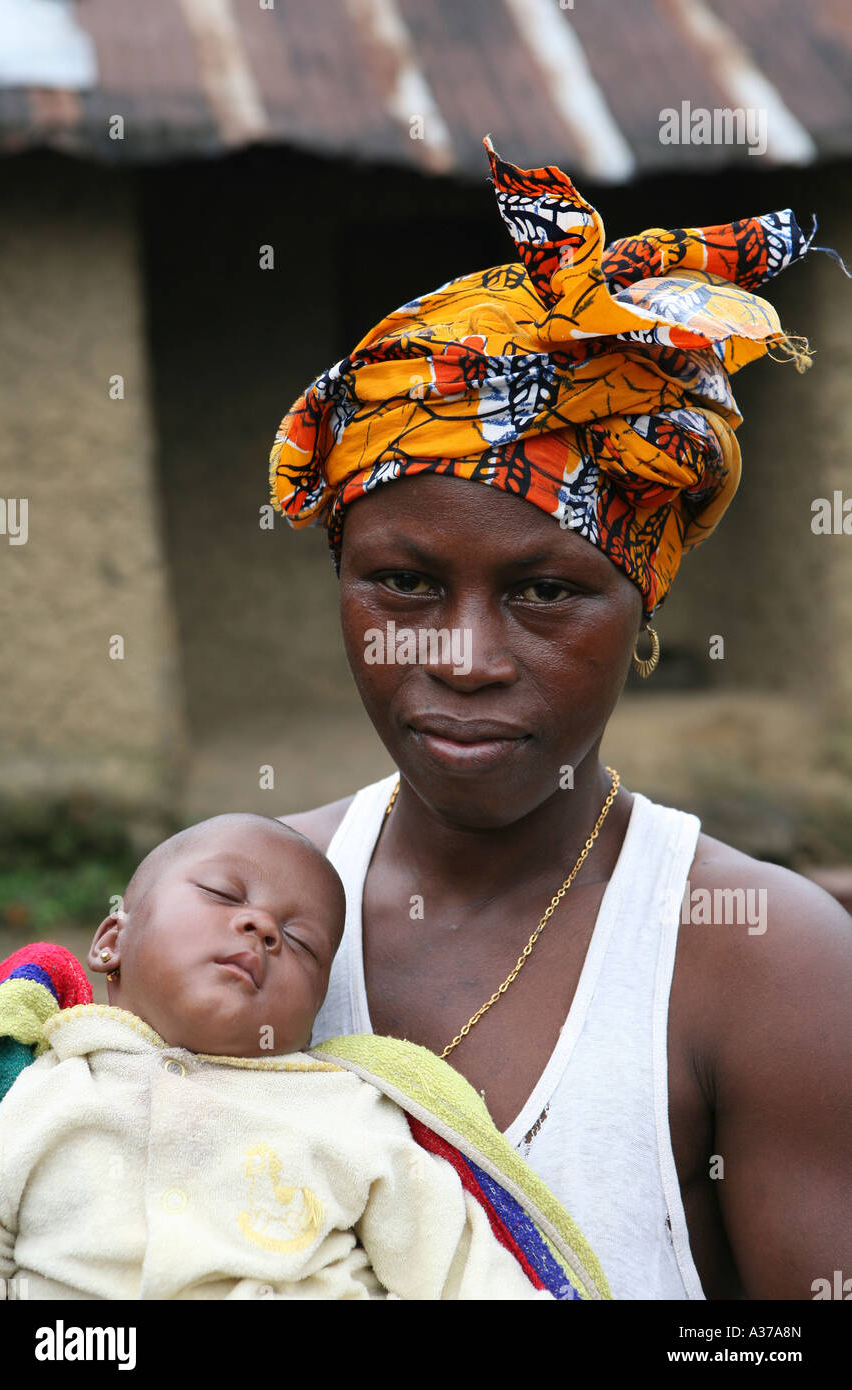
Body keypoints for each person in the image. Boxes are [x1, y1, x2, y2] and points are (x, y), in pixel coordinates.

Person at [268, 137, 852, 1300]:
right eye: (404, 583)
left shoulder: (761, 961)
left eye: (546, 592)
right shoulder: (236, 913)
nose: (468, 659)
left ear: (644, 606)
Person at [0, 813, 607, 1301]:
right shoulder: (42, 1096)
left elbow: (462, 1272)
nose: (261, 928)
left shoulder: (347, 1113)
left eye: (301, 943)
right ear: (112, 940)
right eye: (222, 893)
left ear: (311, 1015)